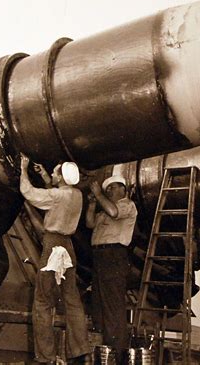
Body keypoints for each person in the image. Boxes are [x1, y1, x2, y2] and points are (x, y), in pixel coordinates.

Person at [20, 153, 91, 365]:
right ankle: (81, 351)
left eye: (54, 172)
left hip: (52, 246)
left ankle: (46, 357)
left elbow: (29, 193)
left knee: (42, 300)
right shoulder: (77, 195)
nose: (51, 173)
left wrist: (23, 170)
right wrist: (44, 177)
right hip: (68, 247)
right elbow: (58, 193)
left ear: (60, 178)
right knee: (72, 300)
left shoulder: (58, 196)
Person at [85, 175, 138, 365]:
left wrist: (98, 194)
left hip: (114, 256)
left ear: (122, 189)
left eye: (112, 188)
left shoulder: (126, 205)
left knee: (113, 307)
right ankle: (105, 354)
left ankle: (117, 356)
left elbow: (114, 212)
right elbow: (90, 224)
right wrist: (92, 204)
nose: (109, 192)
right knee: (99, 303)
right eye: (107, 190)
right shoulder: (105, 209)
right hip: (100, 257)